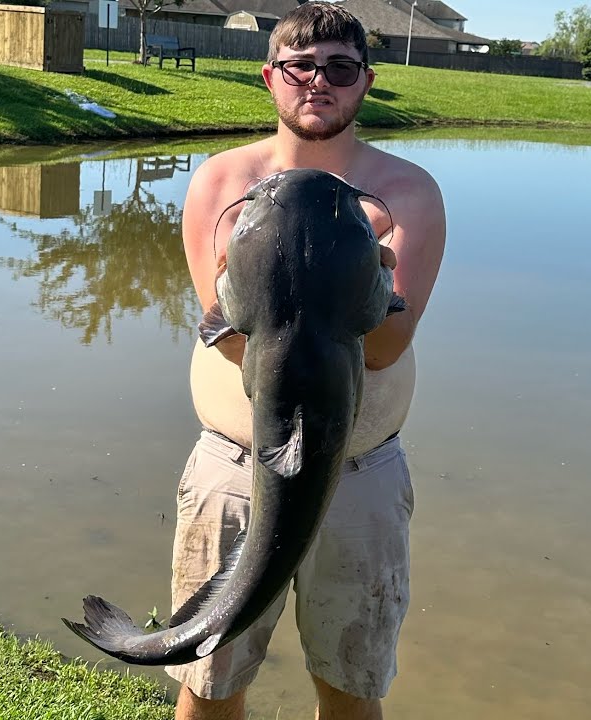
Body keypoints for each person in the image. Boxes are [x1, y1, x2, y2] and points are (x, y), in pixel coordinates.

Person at [171, 3, 446, 719]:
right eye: (300, 66)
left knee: (352, 689)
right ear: (271, 77)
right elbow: (226, 337)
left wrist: (351, 287)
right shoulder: (219, 186)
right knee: (209, 688)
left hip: (361, 475)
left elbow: (385, 348)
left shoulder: (408, 194)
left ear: (366, 81)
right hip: (233, 471)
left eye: (340, 68)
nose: (317, 81)